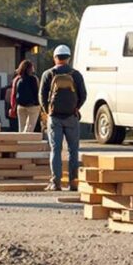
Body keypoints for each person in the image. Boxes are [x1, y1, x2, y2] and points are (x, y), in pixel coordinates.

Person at [39, 45, 86, 191]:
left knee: (55, 149)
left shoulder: (48, 74)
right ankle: (73, 182)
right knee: (73, 150)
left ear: (55, 57)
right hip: (71, 116)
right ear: (68, 58)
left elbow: (41, 95)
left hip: (55, 117)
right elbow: (83, 94)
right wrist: (76, 107)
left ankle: (56, 183)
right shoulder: (76, 74)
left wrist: (48, 111)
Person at [10, 59, 41, 135]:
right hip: (33, 106)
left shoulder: (17, 79)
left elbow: (13, 94)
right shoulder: (34, 79)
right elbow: (38, 92)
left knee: (21, 128)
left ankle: (21, 143)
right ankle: (27, 143)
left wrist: (13, 107)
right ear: (30, 68)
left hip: (20, 106)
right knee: (29, 129)